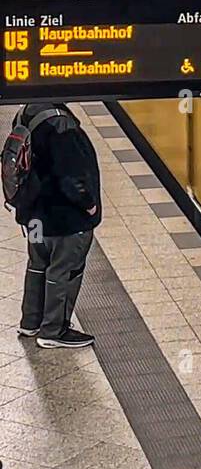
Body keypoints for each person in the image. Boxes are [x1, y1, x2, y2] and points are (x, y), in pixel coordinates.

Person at [14, 104, 101, 349]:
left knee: (38, 265)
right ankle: (54, 330)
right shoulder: (62, 125)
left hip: (34, 214)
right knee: (64, 270)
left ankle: (31, 321)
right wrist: (88, 204)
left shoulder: (27, 112)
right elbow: (71, 175)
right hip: (64, 219)